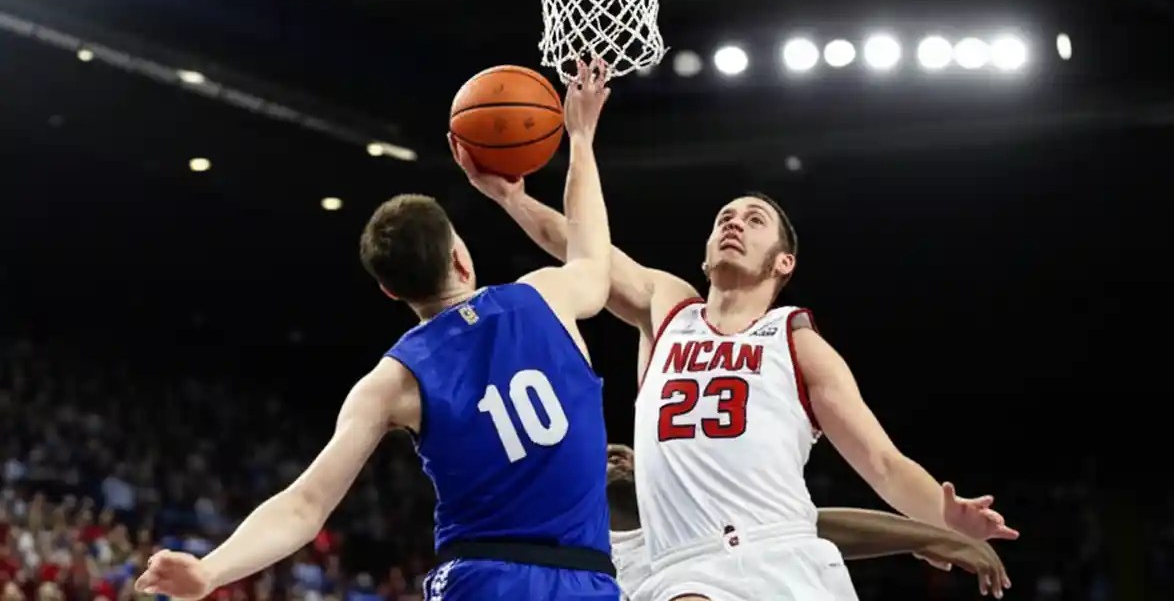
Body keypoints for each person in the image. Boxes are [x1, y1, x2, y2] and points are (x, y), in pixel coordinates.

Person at [135, 60, 619, 601]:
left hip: (482, 581)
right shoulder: (544, 299)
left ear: (391, 292)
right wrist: (577, 138)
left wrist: (210, 572)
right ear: (461, 258)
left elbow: (305, 505)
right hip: (586, 577)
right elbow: (591, 249)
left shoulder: (392, 381)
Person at [452, 157, 1020, 600]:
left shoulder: (798, 343)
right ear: (703, 256)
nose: (734, 224)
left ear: (783, 262)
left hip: (788, 556)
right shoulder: (669, 310)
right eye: (725, 217)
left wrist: (943, 517)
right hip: (687, 565)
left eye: (754, 220)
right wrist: (512, 196)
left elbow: (882, 463)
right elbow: (584, 252)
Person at [605, 444, 1010, 601]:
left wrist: (932, 536)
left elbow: (804, 528)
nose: (617, 458)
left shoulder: (704, 505)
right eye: (603, 455)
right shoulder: (574, 555)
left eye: (624, 451)